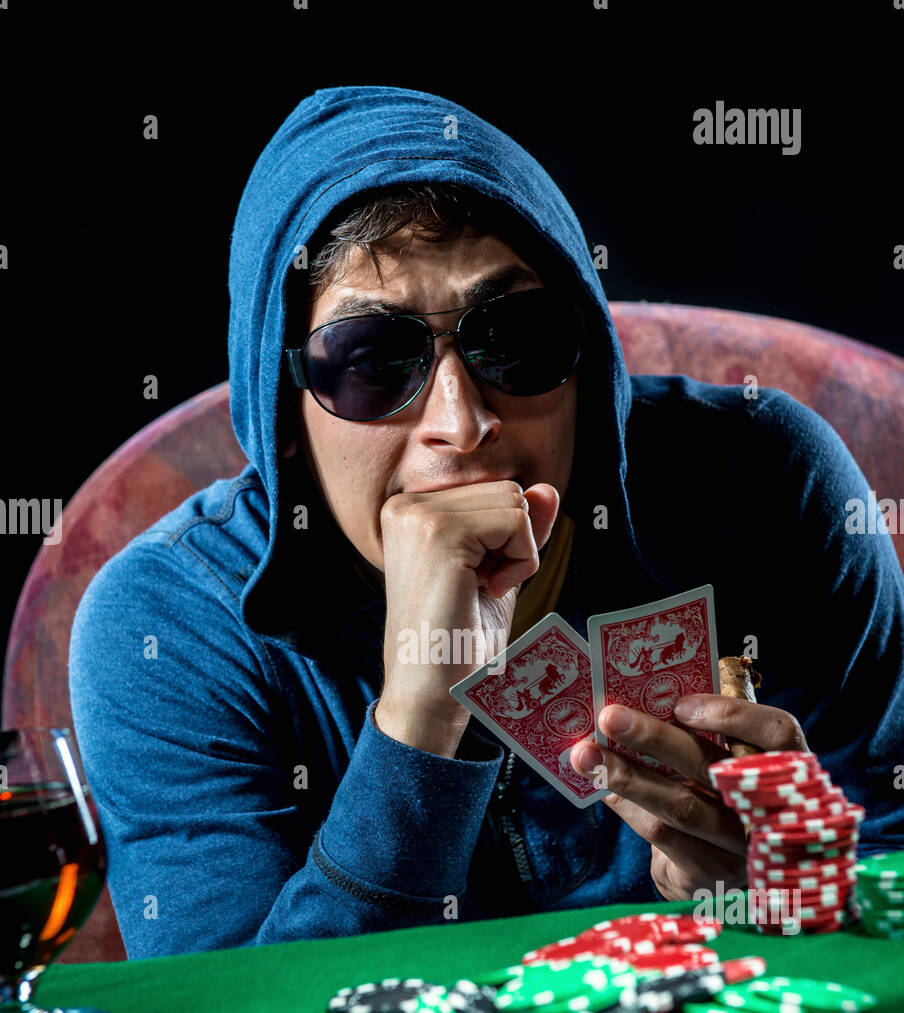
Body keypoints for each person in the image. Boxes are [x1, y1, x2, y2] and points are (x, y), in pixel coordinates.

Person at [68, 85, 904, 958]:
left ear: (588, 354)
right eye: (371, 359)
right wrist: (419, 717)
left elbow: (888, 853)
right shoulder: (168, 623)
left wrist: (788, 903)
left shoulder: (762, 477)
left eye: (515, 333)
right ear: (283, 416)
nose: (462, 424)